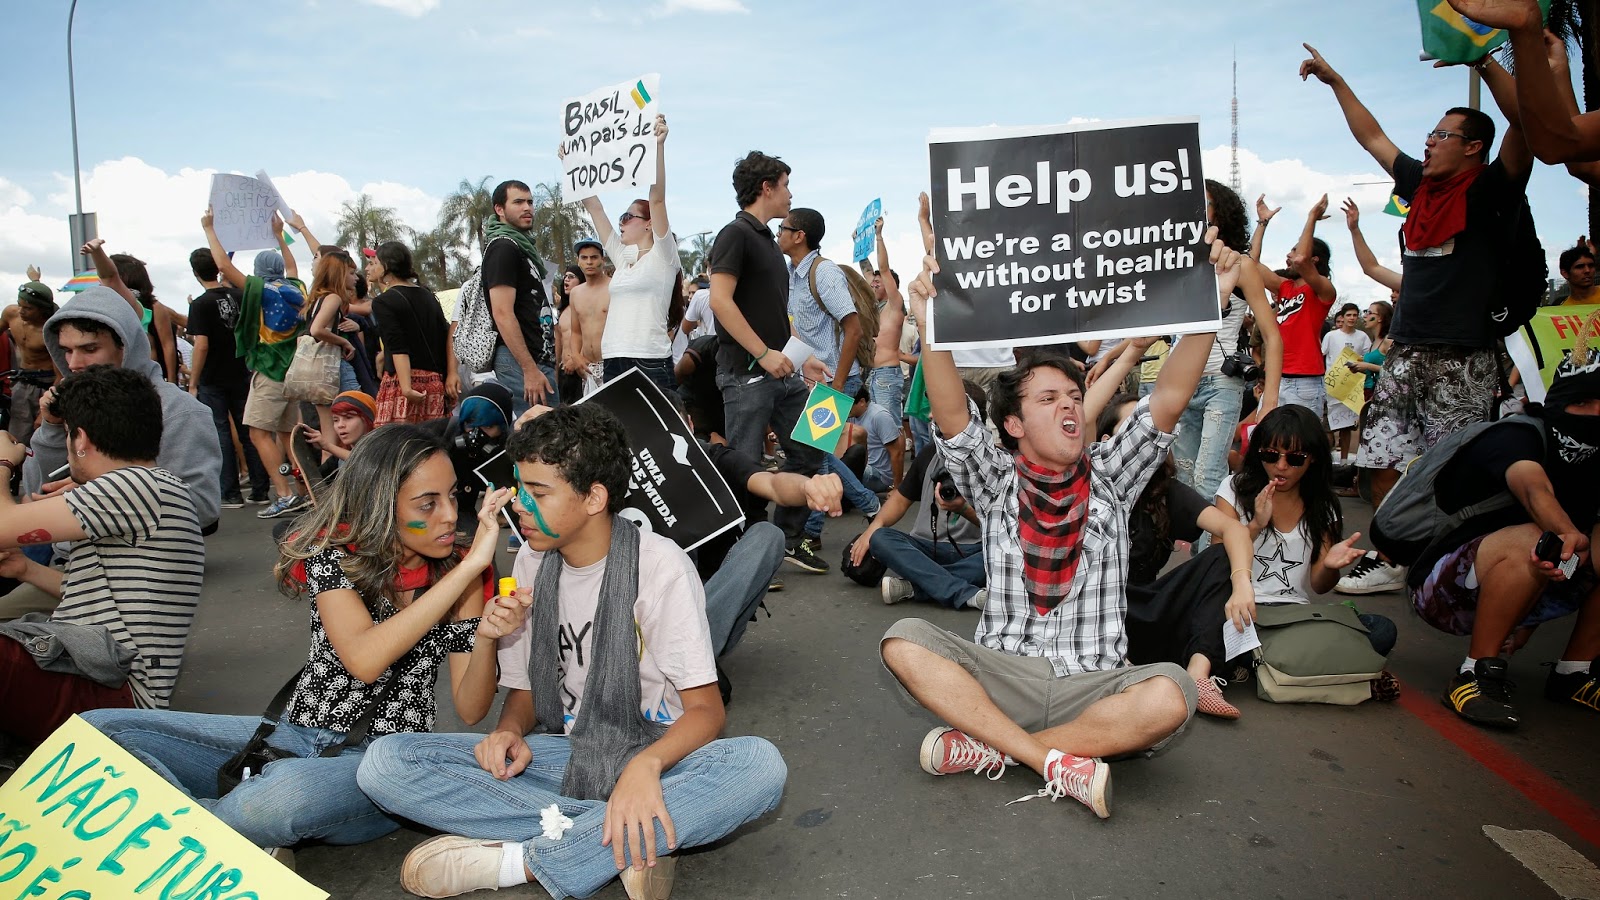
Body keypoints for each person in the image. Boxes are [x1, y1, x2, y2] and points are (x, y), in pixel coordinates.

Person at [878, 195, 1239, 820]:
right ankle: (1052, 760)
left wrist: (1207, 305)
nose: (1070, 405)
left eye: (1075, 394)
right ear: (1014, 424)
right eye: (1049, 399)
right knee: (902, 639)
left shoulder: (1112, 477)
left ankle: (996, 748)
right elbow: (952, 415)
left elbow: (1172, 397)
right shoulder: (995, 480)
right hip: (1004, 675)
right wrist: (930, 315)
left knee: (1175, 691)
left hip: (1090, 684)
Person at [355, 404, 787, 900]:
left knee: (758, 765)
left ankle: (521, 861)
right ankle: (618, 838)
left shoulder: (659, 565)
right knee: (385, 763)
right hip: (570, 752)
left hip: (660, 757)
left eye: (538, 493)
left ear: (593, 498)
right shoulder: (534, 563)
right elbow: (524, 694)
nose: (520, 506)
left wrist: (644, 767)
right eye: (520, 490)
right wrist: (508, 732)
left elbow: (707, 711)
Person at [84, 425, 519, 858]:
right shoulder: (331, 556)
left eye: (453, 495)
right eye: (428, 503)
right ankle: (227, 826)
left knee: (282, 796)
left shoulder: (459, 575)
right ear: (381, 506)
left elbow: (471, 708)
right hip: (293, 732)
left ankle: (212, 828)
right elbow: (365, 658)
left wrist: (484, 636)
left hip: (382, 764)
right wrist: (467, 569)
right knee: (102, 730)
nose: (449, 515)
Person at [1299, 44, 1531, 596]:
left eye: (1442, 134)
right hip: (1404, 355)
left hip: (1464, 360)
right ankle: (1394, 556)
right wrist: (1335, 81)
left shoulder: (1494, 191)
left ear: (1474, 148)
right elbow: (1372, 137)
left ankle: (1447, 563)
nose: (1428, 141)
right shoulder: (1419, 190)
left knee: (1456, 476)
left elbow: (1524, 122)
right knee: (1376, 462)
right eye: (1430, 132)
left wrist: (1483, 61)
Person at [0, 366, 203, 746]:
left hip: (111, 692)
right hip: (104, 683)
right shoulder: (153, 487)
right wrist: (25, 568)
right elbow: (99, 597)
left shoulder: (134, 485)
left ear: (81, 438)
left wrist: (3, 462)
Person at [1407, 361, 1600, 728]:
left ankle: (1575, 672)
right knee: (1536, 536)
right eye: (1584, 402)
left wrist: (1529, 618)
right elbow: (1532, 488)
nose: (1595, 414)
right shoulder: (1518, 435)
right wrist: (1565, 531)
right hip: (1445, 583)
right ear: (1559, 403)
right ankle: (1475, 673)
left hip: (1542, 574)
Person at [1095, 390, 1261, 720]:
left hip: (1145, 610)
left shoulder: (1166, 491)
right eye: (1132, 429)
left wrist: (1242, 585)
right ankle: (1122, 673)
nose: (1143, 440)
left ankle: (1197, 678)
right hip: (1096, 614)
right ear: (1105, 440)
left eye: (1151, 430)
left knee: (1222, 557)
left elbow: (1235, 530)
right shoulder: (1088, 484)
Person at [708, 151, 827, 573]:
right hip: (746, 375)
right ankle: (747, 559)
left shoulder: (767, 244)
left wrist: (804, 358)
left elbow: (771, 315)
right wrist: (761, 353)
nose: (791, 194)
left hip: (784, 372)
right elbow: (719, 301)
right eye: (786, 185)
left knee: (816, 444)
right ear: (767, 188)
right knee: (746, 469)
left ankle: (788, 541)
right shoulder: (734, 234)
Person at [19, 286, 221, 535]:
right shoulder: (71, 401)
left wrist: (100, 495)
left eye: (89, 349)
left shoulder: (177, 410)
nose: (73, 364)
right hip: (72, 559)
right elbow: (36, 492)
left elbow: (203, 509)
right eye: (66, 351)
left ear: (125, 345)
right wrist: (50, 427)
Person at [1212, 406, 1398, 659]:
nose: (1281, 466)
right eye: (1270, 455)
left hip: (1294, 616)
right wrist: (1255, 525)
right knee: (1209, 631)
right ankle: (1300, 659)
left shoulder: (1322, 504)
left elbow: (1319, 586)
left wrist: (1331, 565)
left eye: (1295, 458)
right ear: (1259, 453)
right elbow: (1214, 565)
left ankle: (1274, 660)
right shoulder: (1233, 488)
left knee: (1382, 629)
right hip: (1241, 611)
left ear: (1314, 459)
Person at [1155, 179, 1282, 502]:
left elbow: (1271, 334)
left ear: (1221, 213)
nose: (1196, 208)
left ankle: (1212, 551)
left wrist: (1269, 402)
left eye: (1205, 202)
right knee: (1183, 476)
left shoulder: (1241, 264)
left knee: (1208, 477)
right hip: (1179, 384)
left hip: (1221, 386)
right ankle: (1203, 549)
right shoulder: (1177, 261)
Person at [202, 208, 313, 519]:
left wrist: (210, 229)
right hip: (292, 371)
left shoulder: (261, 290)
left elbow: (223, 265)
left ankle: (284, 492)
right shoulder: (296, 288)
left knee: (258, 433)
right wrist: (279, 235)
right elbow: (291, 265)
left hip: (270, 371)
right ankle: (303, 492)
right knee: (287, 433)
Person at [850, 381, 990, 612]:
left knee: (1002, 556)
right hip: (925, 547)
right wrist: (872, 529)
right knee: (881, 538)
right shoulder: (930, 452)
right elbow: (899, 499)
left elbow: (1000, 528)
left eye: (939, 408)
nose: (930, 414)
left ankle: (916, 586)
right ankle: (961, 591)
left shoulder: (993, 460)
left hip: (972, 550)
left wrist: (962, 509)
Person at [571, 114, 682, 392]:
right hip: (614, 358)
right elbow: (595, 207)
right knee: (620, 432)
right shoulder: (623, 259)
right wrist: (571, 160)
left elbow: (656, 198)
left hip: (650, 358)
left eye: (627, 216)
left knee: (658, 434)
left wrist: (658, 146)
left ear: (648, 223)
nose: (621, 222)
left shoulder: (665, 256)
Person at [185, 247, 269, 508]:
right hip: (242, 370)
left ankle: (231, 492)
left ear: (196, 273)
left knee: (221, 432)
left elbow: (201, 345)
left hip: (212, 376)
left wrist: (193, 382)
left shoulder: (200, 304)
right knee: (250, 431)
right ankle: (260, 489)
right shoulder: (240, 296)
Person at [1248, 194, 1337, 417]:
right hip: (1275, 379)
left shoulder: (1322, 289)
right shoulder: (1284, 287)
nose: (1288, 255)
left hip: (1304, 382)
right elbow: (1251, 263)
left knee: (1303, 444)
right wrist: (1262, 223)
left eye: (1294, 249)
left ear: (1314, 259)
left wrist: (1311, 218)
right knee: (1267, 439)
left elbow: (1300, 261)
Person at [483, 180, 557, 418]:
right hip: (521, 360)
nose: (528, 208)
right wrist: (529, 368)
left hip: (535, 358)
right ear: (500, 209)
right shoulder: (503, 248)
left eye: (530, 202)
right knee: (544, 439)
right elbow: (502, 312)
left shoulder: (521, 248)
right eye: (518, 202)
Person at [780, 207, 863, 396]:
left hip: (834, 382)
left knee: (845, 428)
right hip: (806, 382)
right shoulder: (788, 274)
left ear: (799, 236)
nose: (778, 234)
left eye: (782, 228)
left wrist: (837, 388)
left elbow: (854, 330)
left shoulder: (824, 272)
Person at [370, 241, 452, 424]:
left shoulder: (383, 301)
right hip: (434, 383)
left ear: (387, 267)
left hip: (403, 383)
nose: (370, 267)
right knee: (429, 444)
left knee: (395, 446)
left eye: (374, 262)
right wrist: (450, 375)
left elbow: (398, 346)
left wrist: (406, 387)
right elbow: (446, 335)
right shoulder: (428, 296)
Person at [3, 279, 58, 444]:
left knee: (44, 437)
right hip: (21, 385)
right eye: (20, 305)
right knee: (17, 437)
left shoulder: (51, 330)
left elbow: (61, 375)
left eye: (28, 308)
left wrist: (44, 411)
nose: (21, 311)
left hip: (47, 385)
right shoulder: (11, 314)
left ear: (41, 310)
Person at [868, 218, 908, 427]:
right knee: (875, 429)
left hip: (887, 375)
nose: (873, 284)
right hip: (872, 375)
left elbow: (883, 268)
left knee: (891, 428)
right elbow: (867, 272)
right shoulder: (876, 309)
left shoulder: (895, 304)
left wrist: (878, 235)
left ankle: (897, 462)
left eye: (878, 282)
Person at [1321, 303, 1372, 460]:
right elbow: (1322, 355)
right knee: (1327, 426)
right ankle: (1326, 458)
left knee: (1346, 426)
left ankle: (1344, 460)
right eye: (1349, 315)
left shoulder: (1362, 337)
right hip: (1331, 386)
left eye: (1354, 315)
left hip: (1350, 387)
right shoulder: (1331, 336)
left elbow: (1367, 357)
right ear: (1342, 317)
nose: (1352, 318)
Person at [566, 238, 611, 397]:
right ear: (578, 262)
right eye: (584, 258)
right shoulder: (576, 293)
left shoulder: (613, 288)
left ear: (602, 260)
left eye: (594, 257)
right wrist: (576, 356)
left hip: (611, 364)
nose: (589, 262)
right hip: (587, 368)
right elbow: (576, 331)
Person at [553, 264, 587, 405]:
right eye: (565, 277)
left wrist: (576, 358)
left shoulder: (586, 306)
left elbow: (590, 337)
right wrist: (556, 372)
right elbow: (558, 343)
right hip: (564, 373)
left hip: (581, 369)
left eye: (571, 277)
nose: (566, 280)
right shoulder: (562, 311)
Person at [1559, 242, 1599, 306]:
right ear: (1565, 273)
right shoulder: (1564, 310)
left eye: (1591, 265)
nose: (1587, 270)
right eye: (1580, 267)